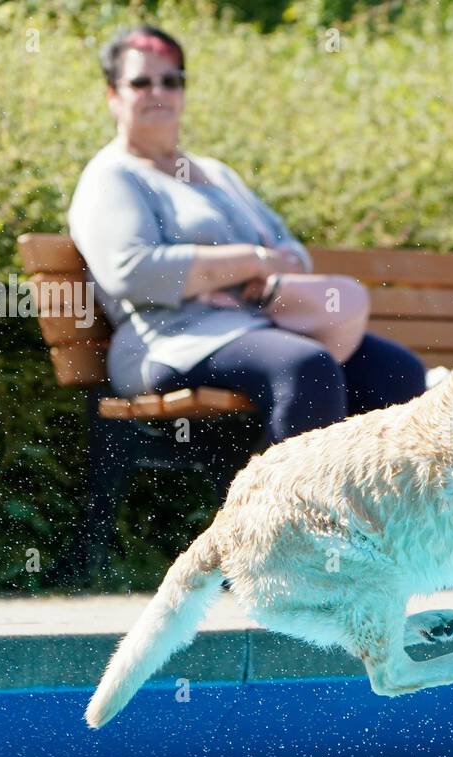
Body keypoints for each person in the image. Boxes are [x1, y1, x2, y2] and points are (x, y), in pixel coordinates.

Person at [68, 25, 426, 454]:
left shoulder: (216, 173)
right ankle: (288, 517)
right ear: (113, 94)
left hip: (253, 325)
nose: (158, 91)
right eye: (141, 82)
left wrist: (256, 270)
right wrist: (251, 263)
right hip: (172, 341)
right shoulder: (112, 176)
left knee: (396, 371)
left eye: (172, 80)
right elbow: (132, 273)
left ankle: (379, 514)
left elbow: (292, 252)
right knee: (306, 367)